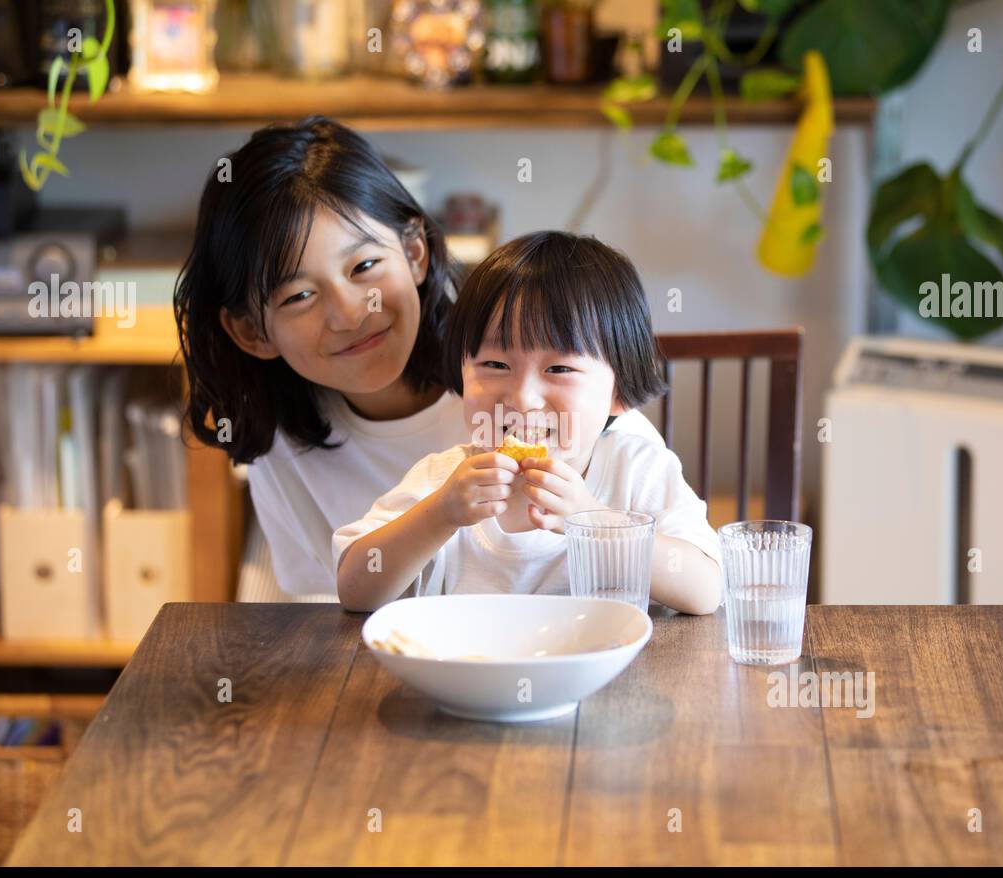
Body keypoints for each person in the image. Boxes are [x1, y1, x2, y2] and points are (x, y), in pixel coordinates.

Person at [174, 117, 665, 597]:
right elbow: (312, 604)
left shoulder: (525, 393)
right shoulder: (280, 439)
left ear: (415, 253)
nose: (349, 314)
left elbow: (678, 572)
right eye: (299, 296)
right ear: (251, 330)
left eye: (364, 266)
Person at [334, 231, 722, 615]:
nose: (522, 398)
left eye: (559, 368)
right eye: (496, 365)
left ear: (618, 391)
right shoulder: (445, 480)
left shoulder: (636, 470)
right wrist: (440, 515)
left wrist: (594, 522)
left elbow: (705, 590)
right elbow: (355, 589)